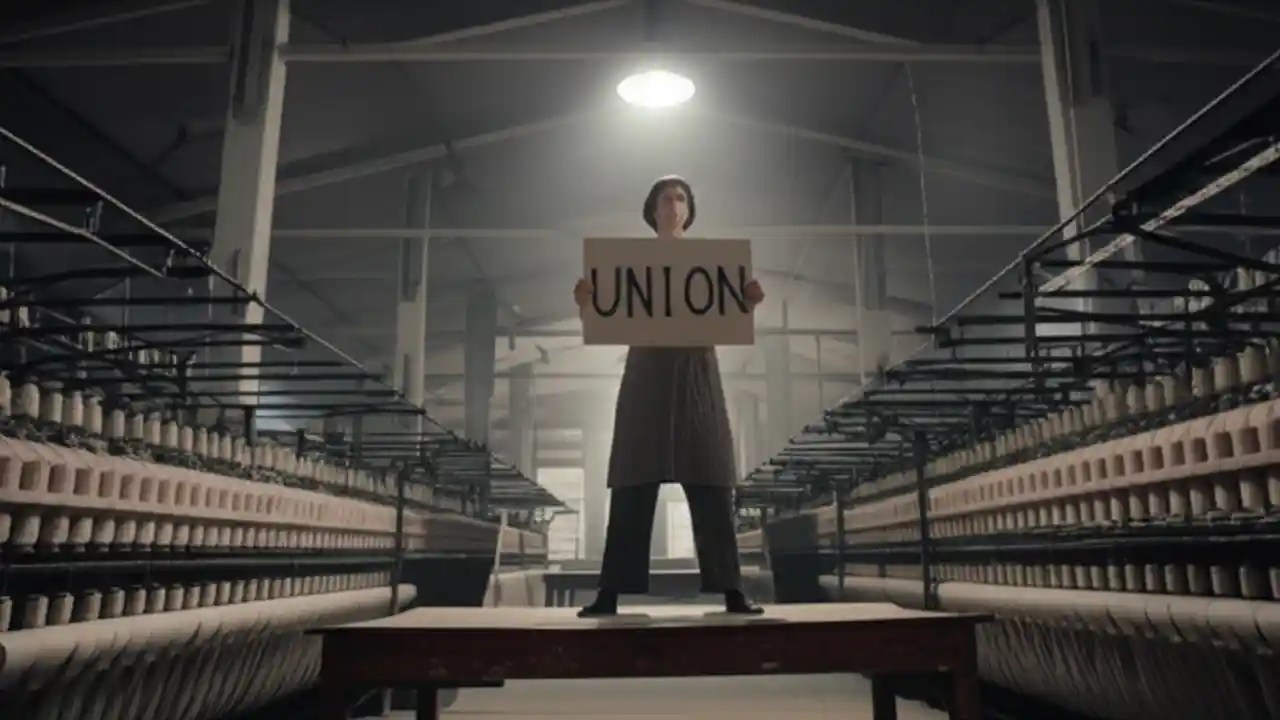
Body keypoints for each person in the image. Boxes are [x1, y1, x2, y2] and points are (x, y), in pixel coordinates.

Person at [572, 175, 766, 617]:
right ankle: (610, 593)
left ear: (689, 210)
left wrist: (749, 301)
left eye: (681, 198)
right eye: (666, 198)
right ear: (652, 210)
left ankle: (732, 589)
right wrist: (586, 300)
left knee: (714, 483)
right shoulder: (627, 266)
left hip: (698, 375)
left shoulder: (714, 266)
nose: (674, 205)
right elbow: (605, 313)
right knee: (631, 483)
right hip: (646, 377)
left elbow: (731, 314)